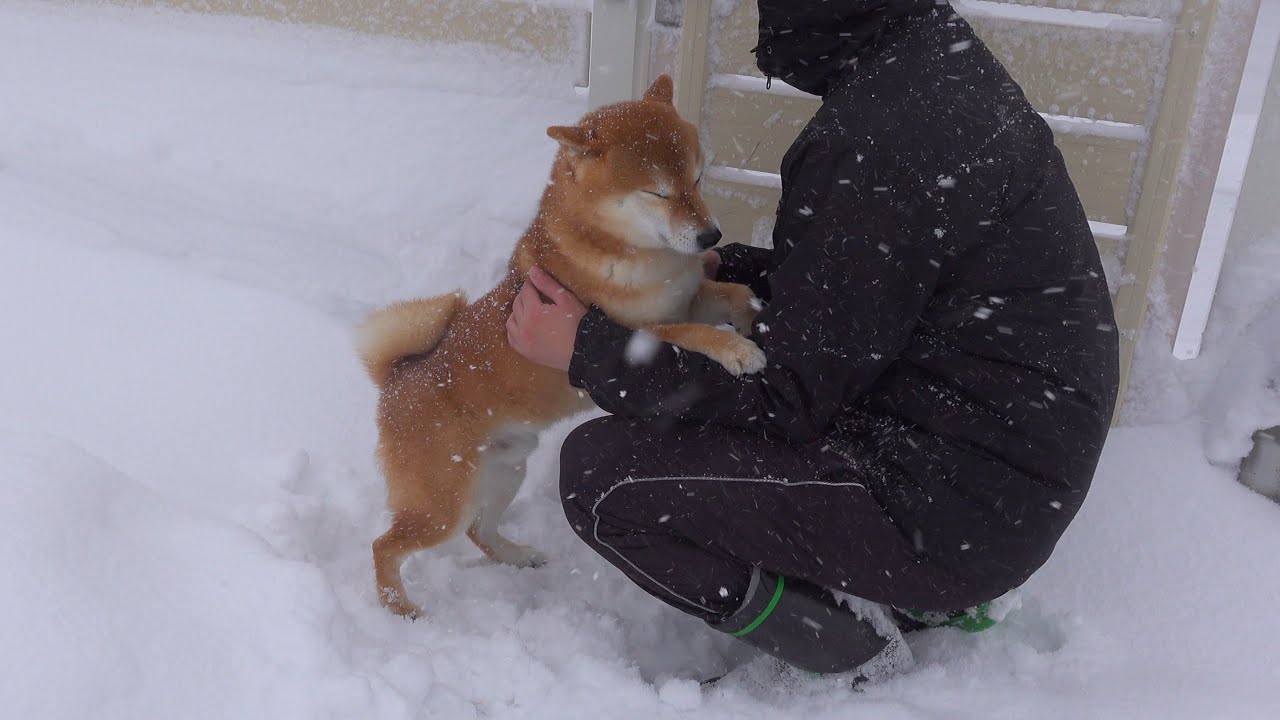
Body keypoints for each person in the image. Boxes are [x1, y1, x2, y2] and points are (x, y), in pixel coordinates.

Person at [505, 0, 1119, 677]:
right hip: (985, 477)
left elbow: (782, 400)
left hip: (949, 512)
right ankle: (899, 585)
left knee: (602, 478)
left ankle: (852, 640)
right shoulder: (924, 63)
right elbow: (865, 294)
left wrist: (587, 350)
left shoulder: (881, 134)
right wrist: (726, 271)